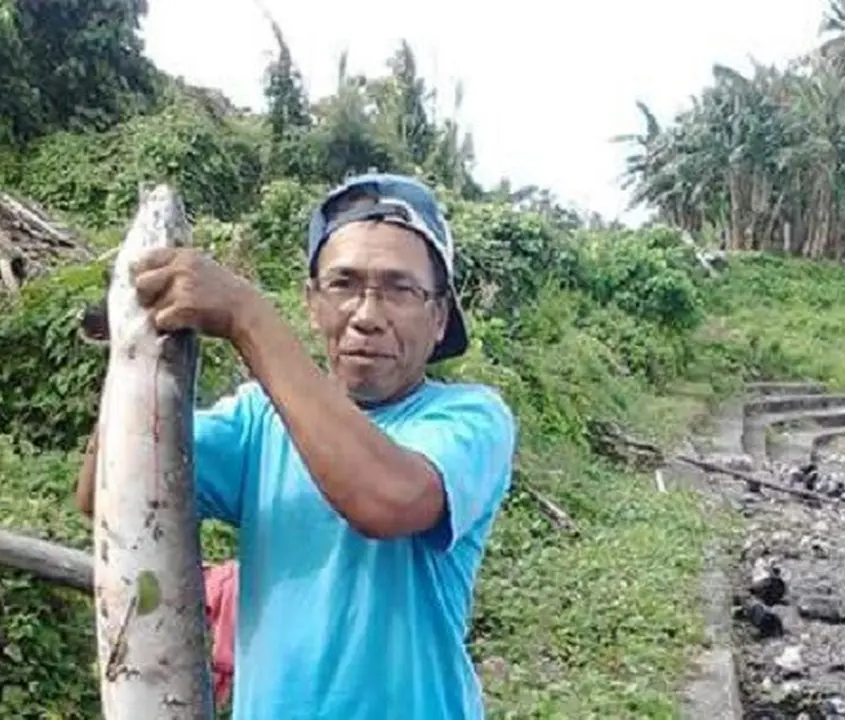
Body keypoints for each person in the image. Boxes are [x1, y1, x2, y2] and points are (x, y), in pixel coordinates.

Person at [75, 172, 518, 720]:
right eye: (343, 284)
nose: (367, 315)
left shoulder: (470, 418)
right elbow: (108, 490)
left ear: (440, 316)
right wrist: (134, 343)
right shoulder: (257, 420)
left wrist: (249, 318)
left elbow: (386, 501)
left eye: (401, 290)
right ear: (312, 302)